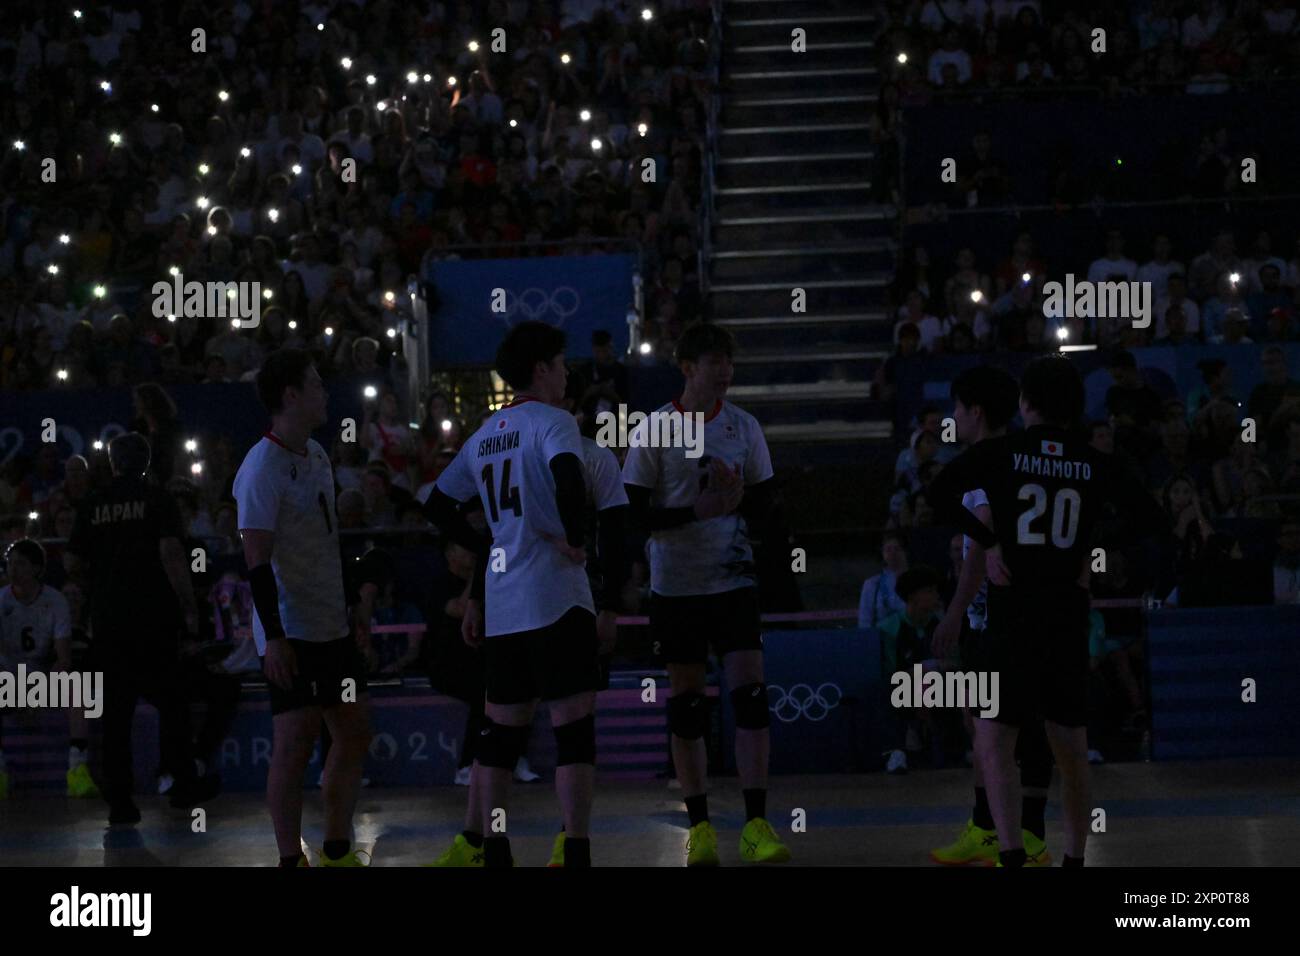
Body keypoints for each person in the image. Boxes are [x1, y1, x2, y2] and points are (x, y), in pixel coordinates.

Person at [925, 355, 1164, 866]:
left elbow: (939, 495)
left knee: (993, 738)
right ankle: (1074, 859)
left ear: (1025, 403)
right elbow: (1150, 519)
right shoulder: (1095, 461)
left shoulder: (1003, 453)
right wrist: (1091, 544)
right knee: (1071, 748)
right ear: (1076, 407)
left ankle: (1010, 852)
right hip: (1067, 614)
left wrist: (990, 541)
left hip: (1013, 615)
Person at [429, 365, 631, 868]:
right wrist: (477, 595)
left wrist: (608, 605)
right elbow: (509, 535)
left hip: (545, 603)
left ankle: (541, 842)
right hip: (532, 602)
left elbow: (618, 536)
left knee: (526, 729)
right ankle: (484, 842)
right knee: (518, 729)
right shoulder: (534, 444)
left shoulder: (583, 457)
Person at [622, 321, 790, 866]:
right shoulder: (655, 430)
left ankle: (757, 823)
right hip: (676, 587)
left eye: (729, 362)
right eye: (714, 361)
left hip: (734, 581)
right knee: (687, 705)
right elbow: (632, 516)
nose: (725, 371)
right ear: (688, 367)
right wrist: (695, 510)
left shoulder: (744, 427)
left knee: (752, 695)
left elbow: (769, 508)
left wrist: (738, 499)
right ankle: (700, 828)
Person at [233, 349, 371, 867]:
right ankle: (291, 858)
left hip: (331, 624)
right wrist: (275, 638)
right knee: (294, 746)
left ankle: (337, 846)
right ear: (290, 396)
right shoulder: (260, 468)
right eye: (316, 383)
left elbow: (329, 539)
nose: (326, 391)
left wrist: (352, 606)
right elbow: (256, 561)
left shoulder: (316, 454)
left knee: (355, 731)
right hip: (292, 629)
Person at [926, 366, 1055, 866]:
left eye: (956, 409)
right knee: (985, 725)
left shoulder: (992, 463)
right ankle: (986, 826)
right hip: (993, 616)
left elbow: (980, 550)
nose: (951, 418)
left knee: (1011, 727)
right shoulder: (998, 460)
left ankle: (1030, 833)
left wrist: (953, 612)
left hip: (1007, 615)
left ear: (976, 412)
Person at [64, 432, 221, 825]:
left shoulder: (93, 503)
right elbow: (170, 553)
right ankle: (182, 783)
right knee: (173, 704)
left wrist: (100, 579)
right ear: (146, 463)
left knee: (116, 715)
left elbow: (71, 562)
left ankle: (120, 800)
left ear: (114, 463)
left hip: (109, 621)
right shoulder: (158, 499)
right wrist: (188, 608)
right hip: (154, 619)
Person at [0, 539, 99, 800]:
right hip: (8, 676)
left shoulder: (55, 601)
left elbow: (63, 659)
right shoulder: (0, 601)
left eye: (20, 563)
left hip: (43, 675)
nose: (13, 569)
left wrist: (37, 693)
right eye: (10, 563)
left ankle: (77, 768)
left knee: (77, 688)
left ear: (36, 568)